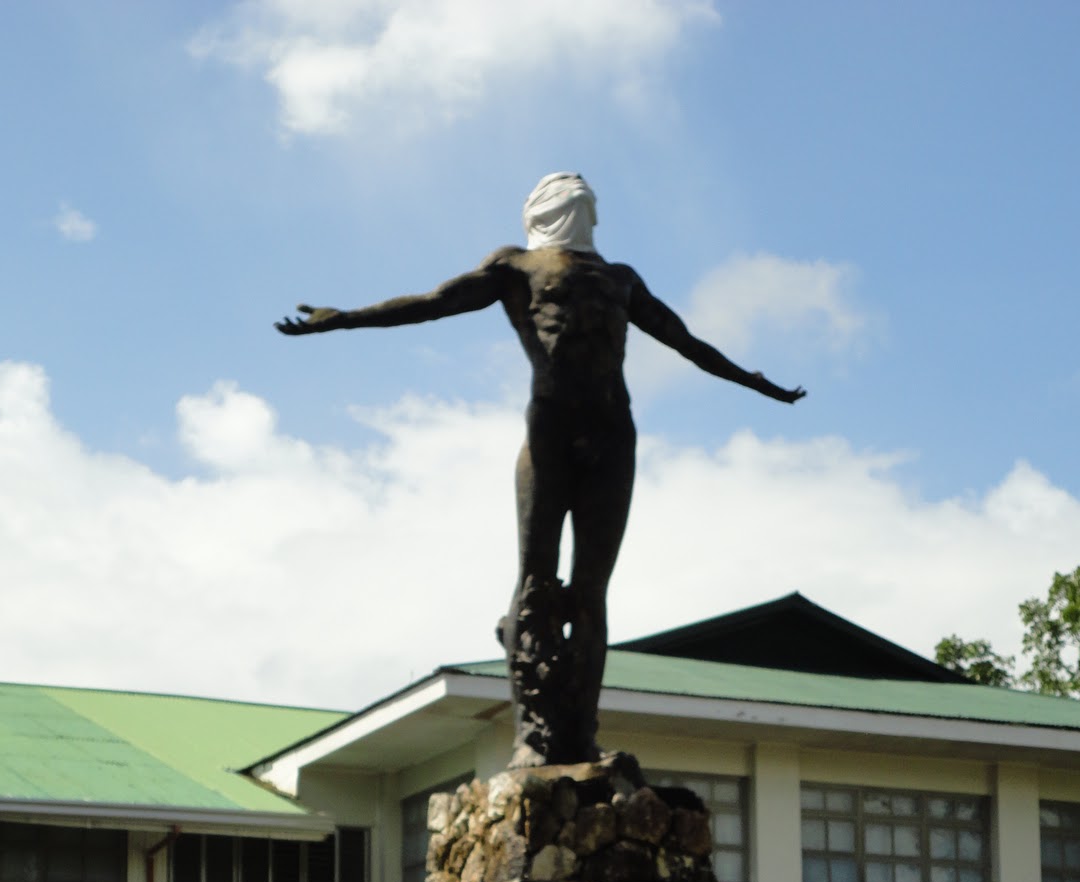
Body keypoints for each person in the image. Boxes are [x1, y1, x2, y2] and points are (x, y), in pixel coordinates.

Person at [277, 173, 804, 768]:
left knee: (591, 593)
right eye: (573, 201)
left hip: (613, 435)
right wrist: (343, 317)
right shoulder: (515, 268)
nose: (584, 209)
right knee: (535, 583)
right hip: (549, 435)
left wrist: (754, 383)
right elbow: (430, 304)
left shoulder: (621, 279)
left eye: (588, 202)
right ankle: (532, 735)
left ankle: (580, 734)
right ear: (546, 211)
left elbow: (686, 342)